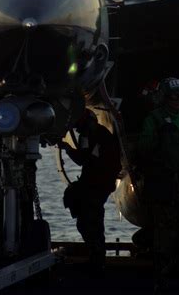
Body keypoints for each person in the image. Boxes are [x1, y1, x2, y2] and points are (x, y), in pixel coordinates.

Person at [137, 77, 179, 292]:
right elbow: (144, 148)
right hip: (163, 183)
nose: (177, 100)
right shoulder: (153, 120)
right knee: (164, 231)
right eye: (173, 96)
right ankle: (161, 273)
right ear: (164, 98)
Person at [62, 109, 121, 272]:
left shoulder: (89, 136)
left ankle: (96, 259)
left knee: (89, 222)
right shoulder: (102, 134)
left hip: (95, 187)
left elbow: (82, 159)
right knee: (92, 221)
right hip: (100, 186)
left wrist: (67, 148)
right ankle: (97, 258)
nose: (77, 129)